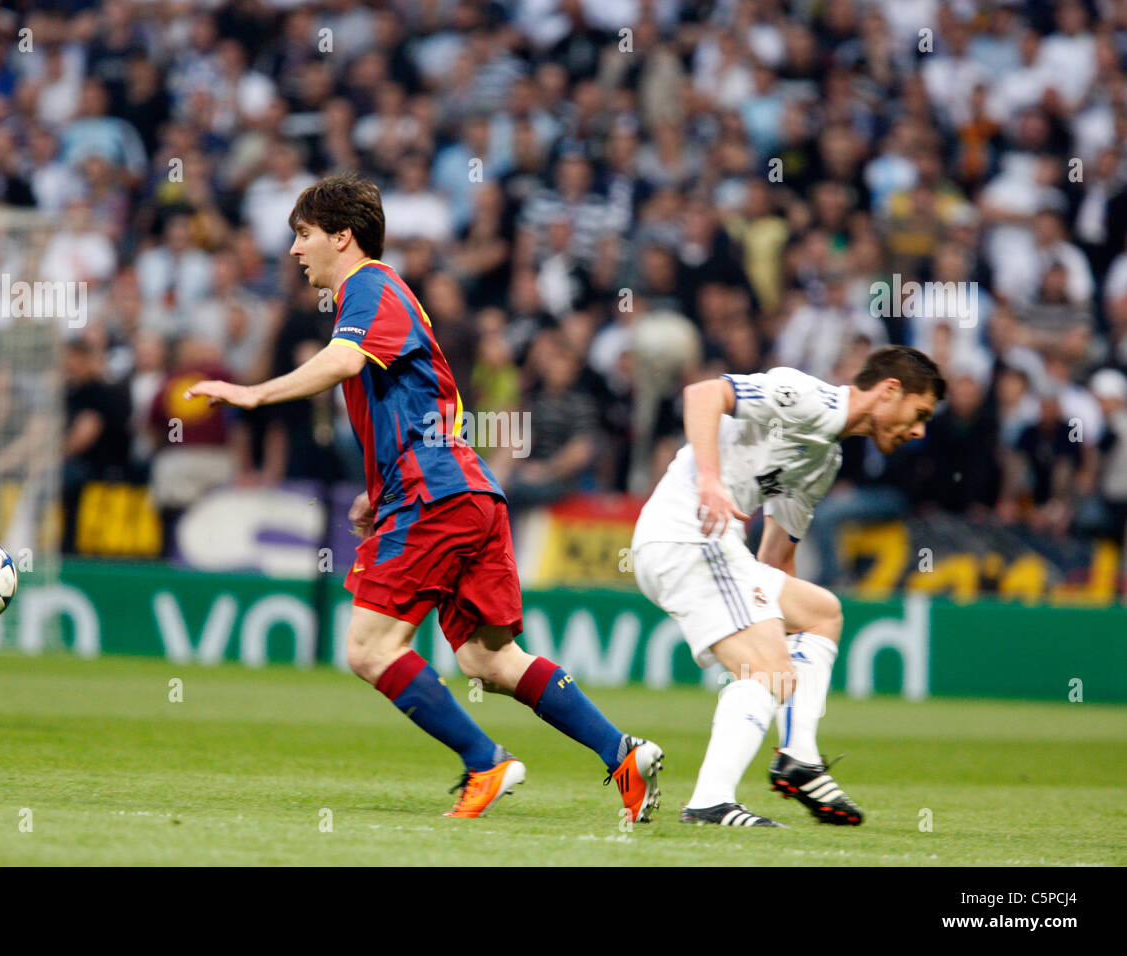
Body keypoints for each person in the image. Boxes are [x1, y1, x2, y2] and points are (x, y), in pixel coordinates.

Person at [184, 174, 662, 820]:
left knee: (369, 648)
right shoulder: (391, 297)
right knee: (488, 659)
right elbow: (430, 403)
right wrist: (376, 493)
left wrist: (255, 393)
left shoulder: (370, 287)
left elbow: (344, 363)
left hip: (434, 496)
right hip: (465, 491)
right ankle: (623, 753)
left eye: (304, 236)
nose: (295, 252)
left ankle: (486, 762)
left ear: (342, 237)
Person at [632, 345, 945, 826]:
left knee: (820, 612)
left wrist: (780, 622)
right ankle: (709, 802)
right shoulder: (805, 396)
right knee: (766, 670)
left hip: (713, 547)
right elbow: (702, 394)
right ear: (890, 391)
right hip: (688, 533)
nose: (920, 430)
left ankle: (799, 756)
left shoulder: (825, 460)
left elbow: (776, 557)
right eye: (919, 413)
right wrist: (710, 482)